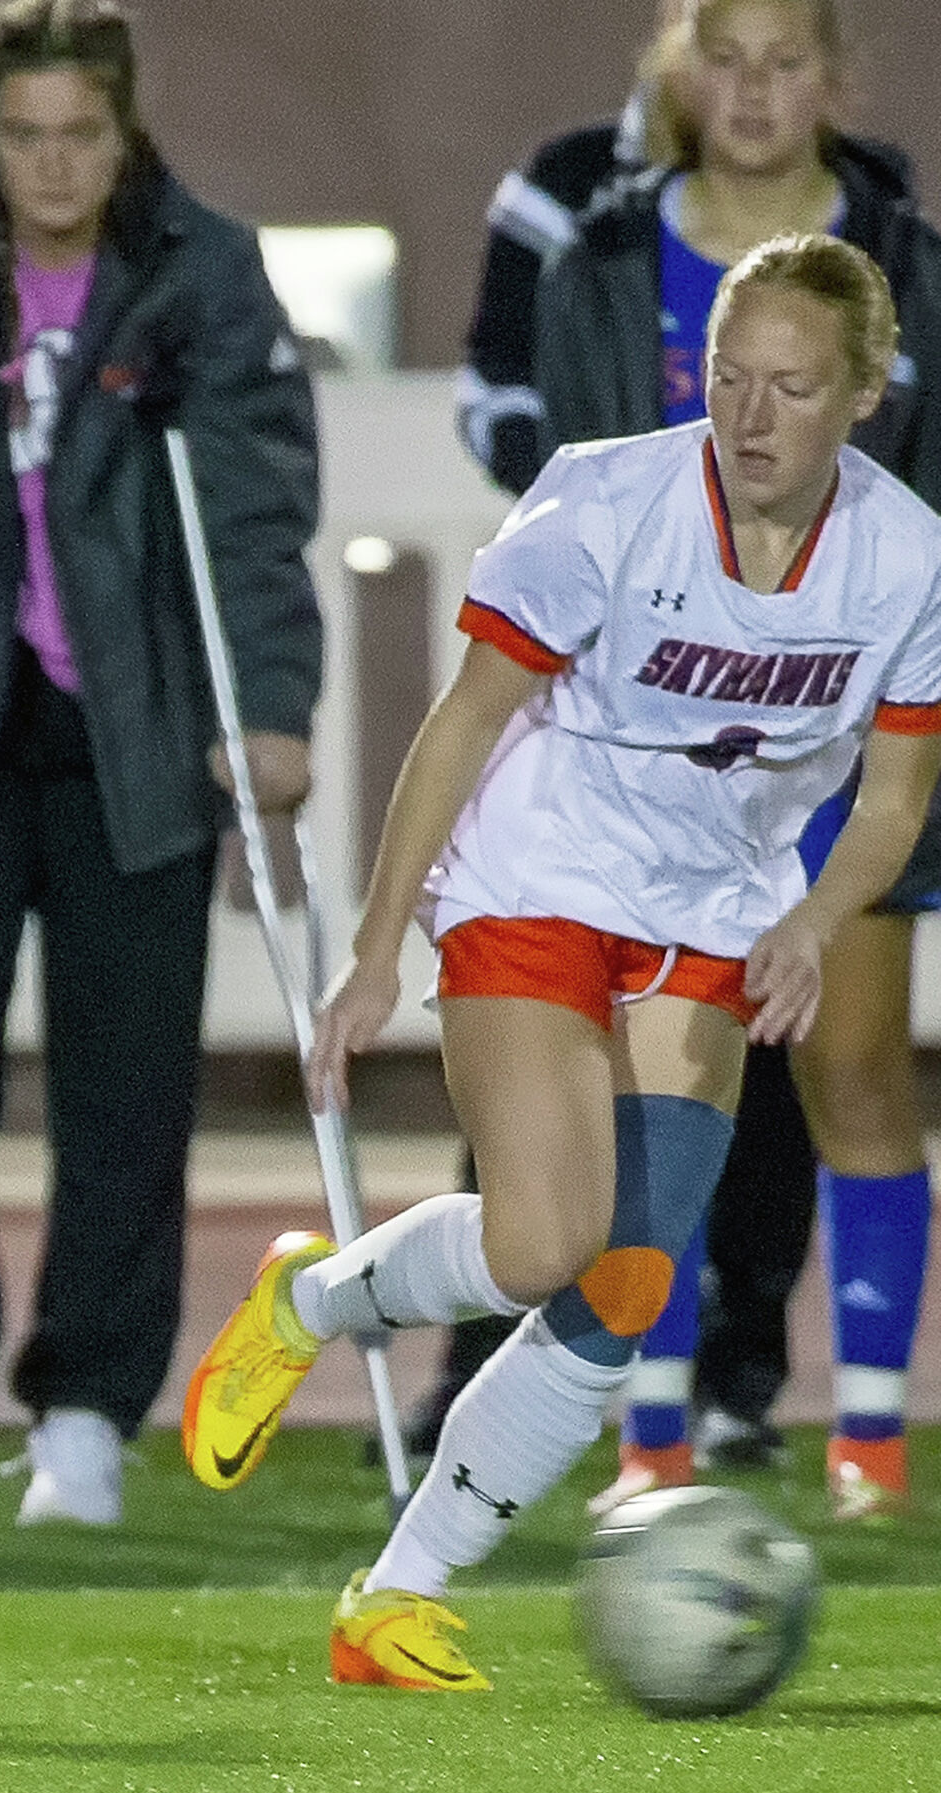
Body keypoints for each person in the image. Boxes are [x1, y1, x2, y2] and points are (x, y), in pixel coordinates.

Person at [185, 235, 941, 1689]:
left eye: (794, 387)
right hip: (541, 868)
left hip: (715, 903)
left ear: (865, 394)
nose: (755, 418)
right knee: (540, 1241)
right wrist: (369, 950)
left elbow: (897, 802)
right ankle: (307, 1301)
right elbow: (463, 723)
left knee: (632, 1273)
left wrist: (808, 922)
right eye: (731, 378)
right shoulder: (606, 500)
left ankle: (393, 1599)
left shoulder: (907, 558)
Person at [0, 0, 321, 1529]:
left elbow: (256, 499)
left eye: (80, 134)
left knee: (128, 1090)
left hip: (139, 728)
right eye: (22, 135)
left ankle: (87, 1411)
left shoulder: (201, 267)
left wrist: (270, 699)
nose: (51, 164)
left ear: (126, 126)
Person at [536, 0, 941, 1518]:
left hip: (850, 713)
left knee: (855, 1068)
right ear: (676, 73)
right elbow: (566, 478)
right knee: (664, 1081)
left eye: (789, 61)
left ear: (833, 81)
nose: (757, 91)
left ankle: (876, 1441)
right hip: (655, 737)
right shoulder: (602, 261)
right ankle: (657, 1439)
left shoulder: (909, 257)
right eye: (729, 56)